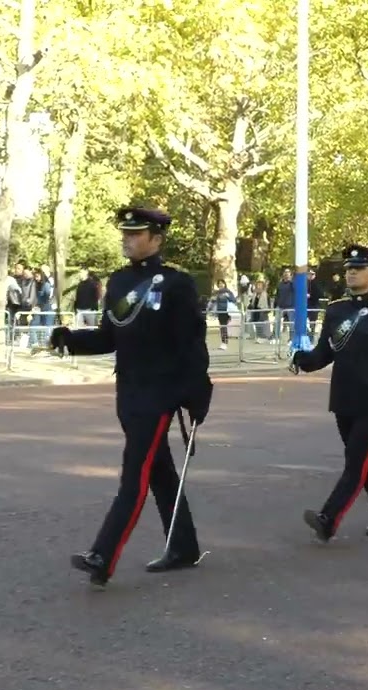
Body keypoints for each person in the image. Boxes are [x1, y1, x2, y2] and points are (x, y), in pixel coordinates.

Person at [51, 206, 214, 587]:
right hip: (128, 391)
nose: (126, 237)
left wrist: (195, 393)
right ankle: (184, 546)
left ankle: (103, 555)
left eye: (136, 233)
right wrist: (71, 340)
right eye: (125, 232)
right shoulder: (120, 281)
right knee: (159, 473)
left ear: (156, 239)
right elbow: (111, 337)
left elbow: (191, 345)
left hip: (159, 394)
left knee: (135, 473)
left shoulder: (177, 283)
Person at [292, 244, 368, 541]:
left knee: (356, 462)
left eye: (357, 269)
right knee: (366, 463)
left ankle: (329, 519)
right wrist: (302, 360)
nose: (350, 274)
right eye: (348, 269)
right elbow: (325, 352)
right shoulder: (336, 311)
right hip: (344, 398)